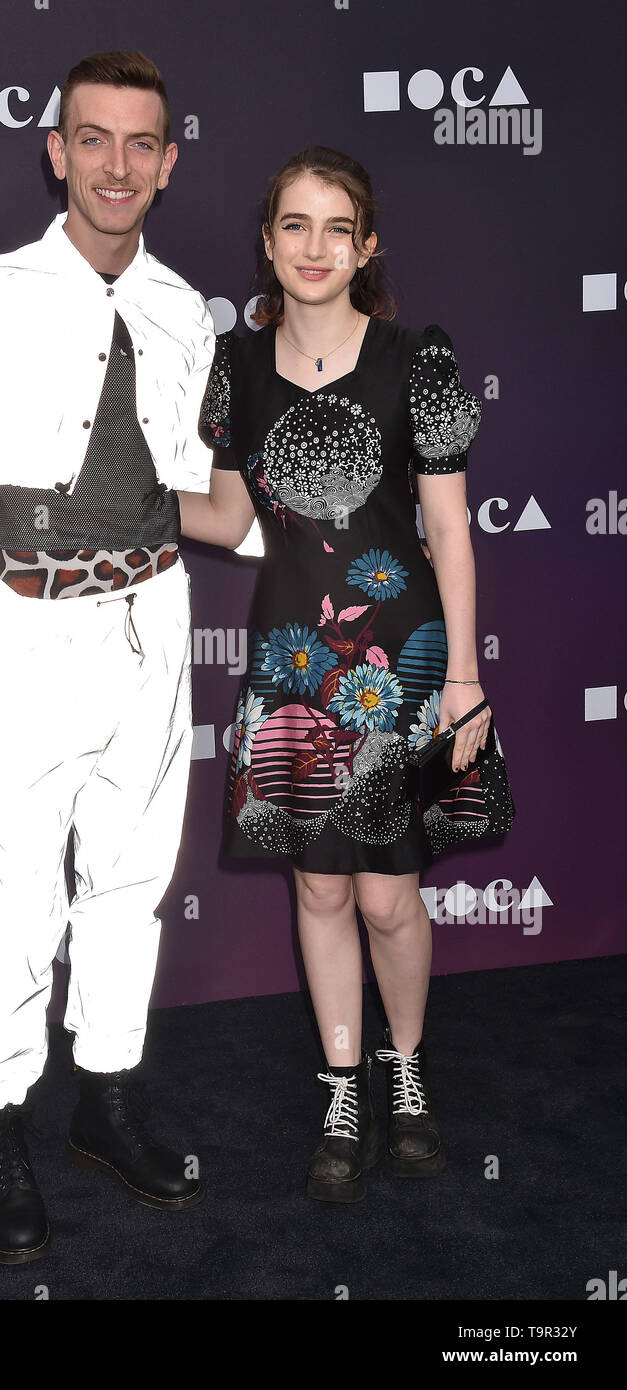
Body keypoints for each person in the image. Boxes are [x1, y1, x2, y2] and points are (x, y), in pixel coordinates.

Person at [0, 50, 214, 1264]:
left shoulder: (184, 312)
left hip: (154, 620)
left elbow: (191, 491)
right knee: (21, 898)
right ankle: (0, 1120)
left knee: (128, 883)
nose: (117, 166)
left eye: (142, 145)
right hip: (30, 625)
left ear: (169, 164)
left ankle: (105, 1103)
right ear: (55, 150)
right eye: (94, 139)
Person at [179, 146, 493, 1203]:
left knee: (392, 898)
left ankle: (407, 1075)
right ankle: (344, 1082)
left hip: (398, 662)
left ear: (368, 246)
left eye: (337, 227)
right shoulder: (241, 364)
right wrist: (125, 496)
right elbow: (228, 518)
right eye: (295, 226)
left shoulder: (418, 359)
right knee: (318, 884)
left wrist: (461, 677)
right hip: (293, 658)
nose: (315, 248)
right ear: (267, 244)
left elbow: (448, 528)